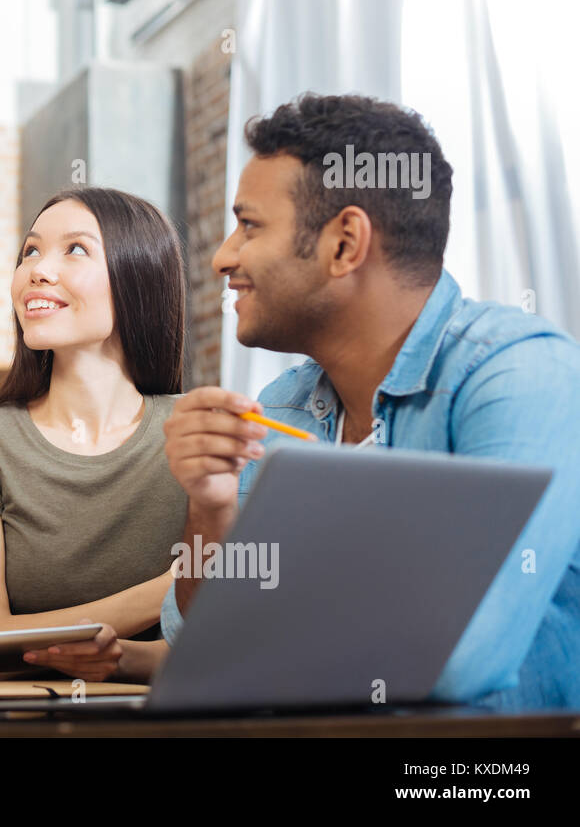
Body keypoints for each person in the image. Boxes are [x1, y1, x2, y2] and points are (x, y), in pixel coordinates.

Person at [161, 92, 580, 709]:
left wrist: (262, 629)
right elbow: (194, 634)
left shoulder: (519, 373)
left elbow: (459, 663)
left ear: (345, 243)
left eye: (249, 225)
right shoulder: (284, 404)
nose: (224, 257)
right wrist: (211, 509)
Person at [0, 187, 189, 682]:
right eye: (30, 251)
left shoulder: (194, 428)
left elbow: (230, 638)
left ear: (138, 275)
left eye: (75, 249)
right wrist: (173, 589)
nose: (36, 271)